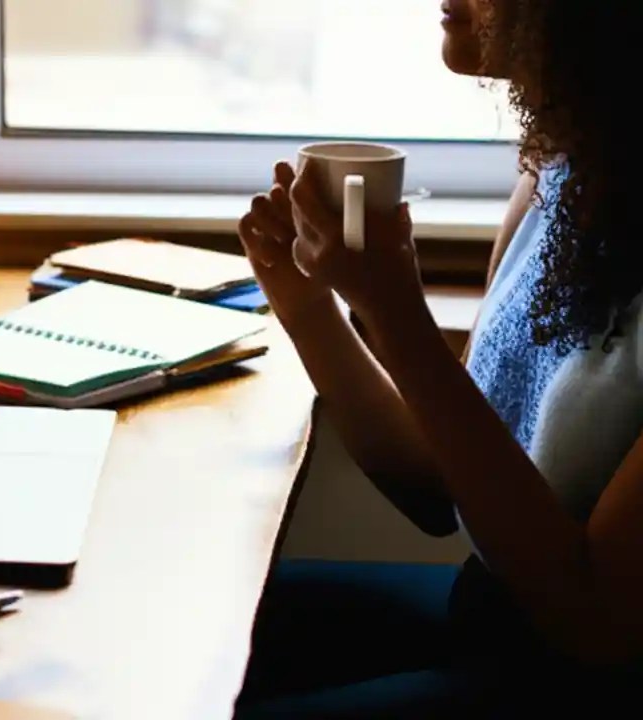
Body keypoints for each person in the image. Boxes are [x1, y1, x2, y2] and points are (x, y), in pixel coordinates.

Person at [233, 0, 642, 716]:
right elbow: (437, 486)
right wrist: (308, 307)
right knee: (181, 609)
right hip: (489, 619)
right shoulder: (560, 170)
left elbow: (596, 618)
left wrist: (397, 315)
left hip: (576, 687)